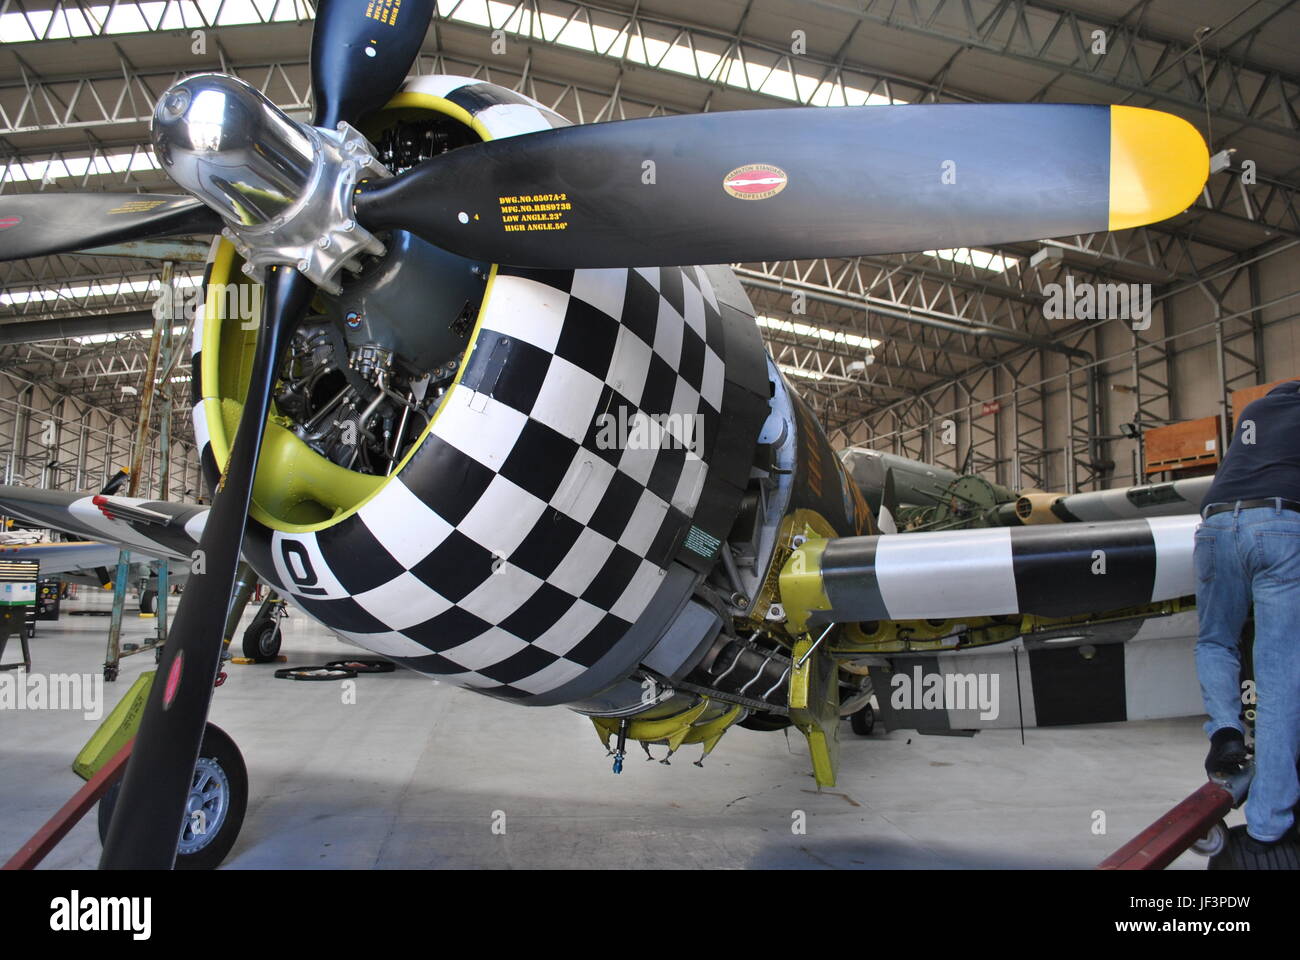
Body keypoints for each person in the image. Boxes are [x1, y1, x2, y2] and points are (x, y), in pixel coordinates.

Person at [1194, 378, 1300, 869]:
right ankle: (1267, 827)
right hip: (1280, 527)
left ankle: (1225, 734)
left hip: (1216, 522)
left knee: (1216, 640)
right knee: (1279, 680)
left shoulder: (1254, 412)